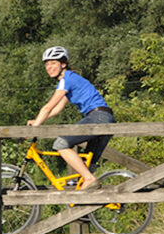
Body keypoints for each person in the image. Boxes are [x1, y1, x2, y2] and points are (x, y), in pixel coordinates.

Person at [26, 45, 113, 189]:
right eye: (47, 64)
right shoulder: (71, 79)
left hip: (97, 117)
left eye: (53, 63)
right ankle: (95, 201)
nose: (49, 67)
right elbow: (58, 109)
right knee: (85, 169)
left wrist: (35, 128)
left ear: (63, 64)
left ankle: (89, 179)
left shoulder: (67, 79)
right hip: (105, 118)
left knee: (61, 144)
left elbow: (48, 107)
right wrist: (38, 120)